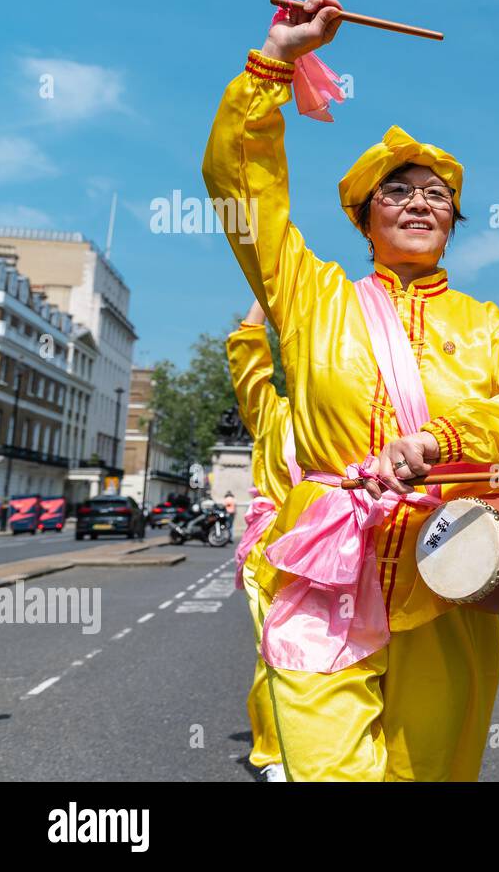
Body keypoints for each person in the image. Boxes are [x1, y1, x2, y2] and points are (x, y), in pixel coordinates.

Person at [202, 0, 499, 781]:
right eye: (397, 192)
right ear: (364, 216)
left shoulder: (494, 328)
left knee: (431, 770)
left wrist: (443, 441)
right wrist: (276, 58)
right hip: (323, 562)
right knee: (323, 763)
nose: (418, 201)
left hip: (451, 565)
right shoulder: (312, 297)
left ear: (454, 221)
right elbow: (245, 195)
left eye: (436, 194)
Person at [225, 299, 294, 782]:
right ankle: (272, 751)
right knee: (278, 648)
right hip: (275, 548)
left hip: (346, 547)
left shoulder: (358, 410)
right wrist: (263, 299)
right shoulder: (272, 412)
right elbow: (249, 372)